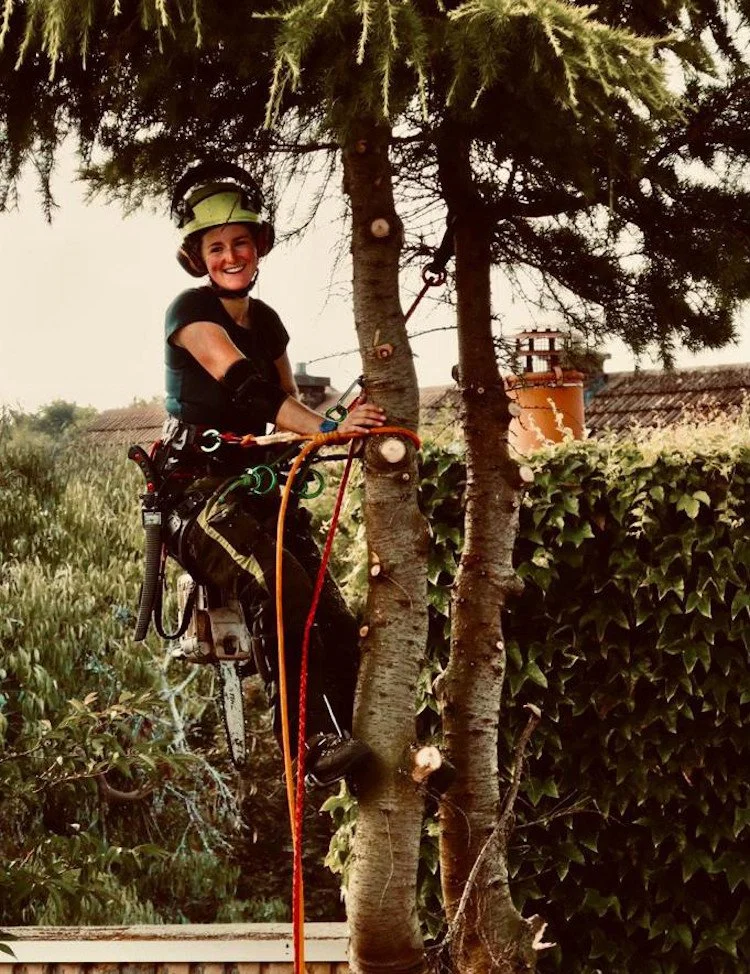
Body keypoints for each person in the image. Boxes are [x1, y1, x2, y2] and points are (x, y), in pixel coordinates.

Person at [155, 161, 385, 786]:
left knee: (332, 616)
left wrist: (340, 420)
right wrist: (324, 427)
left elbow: (290, 412)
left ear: (258, 246)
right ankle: (305, 744)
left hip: (259, 492)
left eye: (240, 242)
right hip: (198, 500)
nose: (230, 255)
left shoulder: (271, 322)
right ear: (199, 257)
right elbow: (250, 390)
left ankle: (344, 734)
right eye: (216, 247)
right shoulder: (190, 312)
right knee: (280, 591)